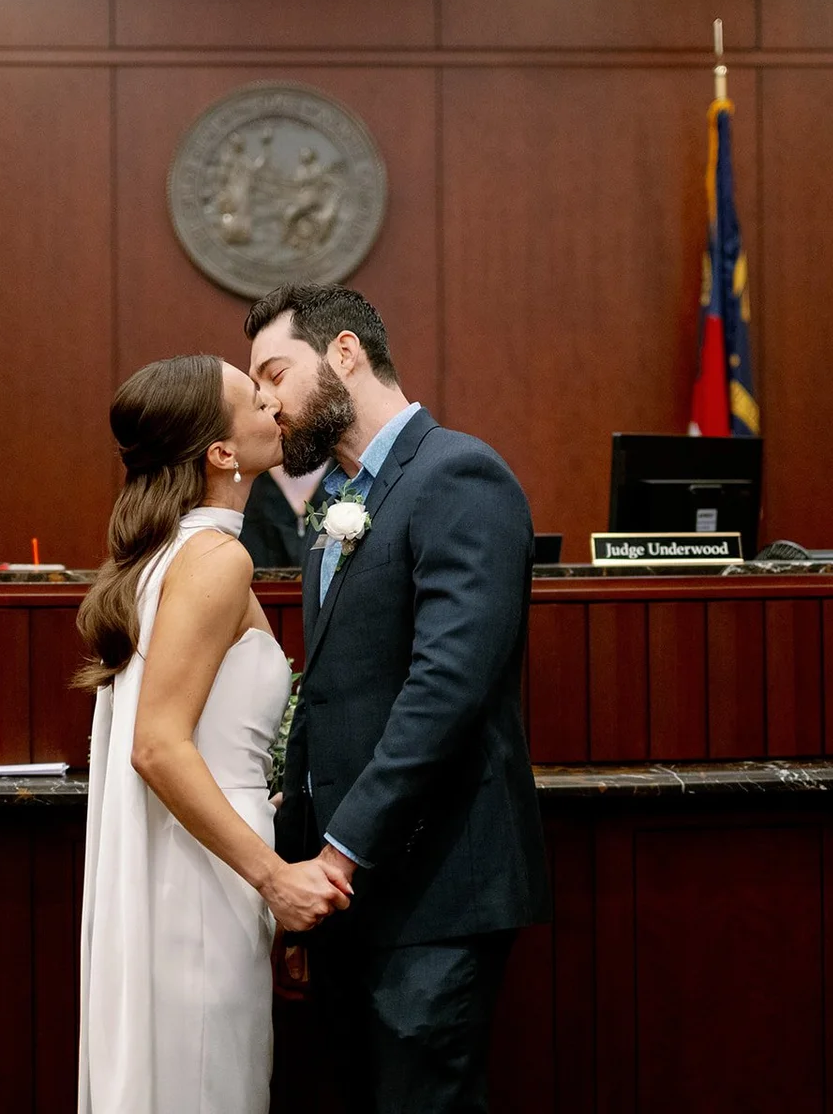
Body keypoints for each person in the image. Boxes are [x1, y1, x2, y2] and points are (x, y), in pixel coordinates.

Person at [246, 283, 551, 1114]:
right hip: (350, 899)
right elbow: (326, 697)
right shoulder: (340, 507)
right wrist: (305, 888)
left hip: (438, 883)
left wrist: (337, 857)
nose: (265, 401)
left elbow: (446, 690)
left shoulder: (459, 474)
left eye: (275, 373)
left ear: (344, 352)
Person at [75, 354, 351, 1113]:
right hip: (206, 878)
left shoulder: (171, 551)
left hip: (199, 867)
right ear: (221, 454)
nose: (273, 403)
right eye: (255, 397)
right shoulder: (215, 558)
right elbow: (159, 745)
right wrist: (274, 879)